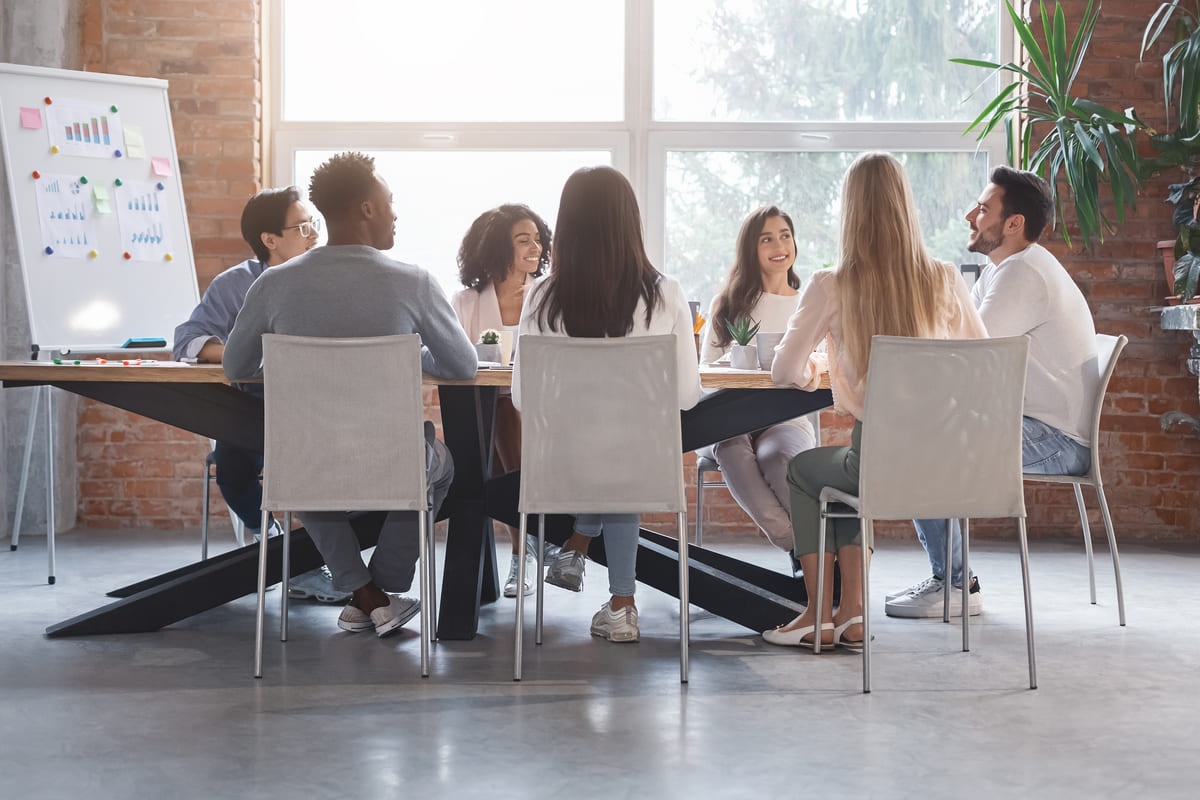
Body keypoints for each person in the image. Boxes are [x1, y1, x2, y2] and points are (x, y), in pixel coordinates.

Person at [223, 152, 477, 637]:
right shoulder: (414, 282)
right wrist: (410, 353)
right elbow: (463, 366)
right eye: (389, 202)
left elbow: (236, 367)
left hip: (305, 458)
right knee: (436, 464)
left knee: (304, 467)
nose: (394, 213)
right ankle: (383, 590)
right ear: (366, 208)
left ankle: (365, 594)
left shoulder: (273, 283)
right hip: (392, 459)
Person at [763, 152, 986, 649]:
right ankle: (853, 614)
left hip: (876, 465)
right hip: (946, 464)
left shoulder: (831, 283)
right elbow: (980, 363)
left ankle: (817, 614)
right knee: (837, 477)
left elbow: (784, 370)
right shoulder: (946, 278)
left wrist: (820, 368)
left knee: (807, 472)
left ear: (852, 212)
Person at [885, 165, 1099, 619]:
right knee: (923, 433)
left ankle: (957, 584)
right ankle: (955, 580)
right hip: (1035, 427)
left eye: (983, 208)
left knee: (923, 442)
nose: (970, 215)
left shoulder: (1024, 275)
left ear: (1013, 223)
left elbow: (969, 359)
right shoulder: (1005, 269)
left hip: (1056, 441)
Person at [512, 165, 702, 643]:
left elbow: (521, 397)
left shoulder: (540, 295)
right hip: (639, 464)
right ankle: (622, 605)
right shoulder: (666, 294)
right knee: (623, 451)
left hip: (561, 464)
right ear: (630, 222)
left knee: (605, 449)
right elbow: (684, 396)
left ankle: (581, 546)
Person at [173, 187, 347, 603]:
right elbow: (188, 341)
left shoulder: (332, 276)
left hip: (325, 410)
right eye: (303, 226)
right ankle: (272, 545)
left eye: (314, 224)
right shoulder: (236, 283)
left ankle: (329, 565)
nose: (313, 234)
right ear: (270, 239)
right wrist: (249, 352)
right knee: (231, 457)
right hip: (257, 408)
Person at [698, 206, 817, 568]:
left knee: (777, 456)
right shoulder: (728, 303)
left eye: (785, 235)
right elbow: (705, 374)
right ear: (751, 248)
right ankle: (806, 550)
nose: (779, 245)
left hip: (786, 418)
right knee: (734, 452)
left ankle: (807, 555)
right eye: (766, 238)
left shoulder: (809, 302)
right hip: (729, 420)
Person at [452, 204, 559, 598]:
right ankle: (531, 544)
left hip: (540, 411)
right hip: (482, 411)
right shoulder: (465, 303)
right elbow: (454, 362)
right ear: (498, 248)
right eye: (522, 239)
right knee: (495, 425)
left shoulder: (549, 296)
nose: (535, 246)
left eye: (537, 238)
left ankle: (523, 553)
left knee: (503, 424)